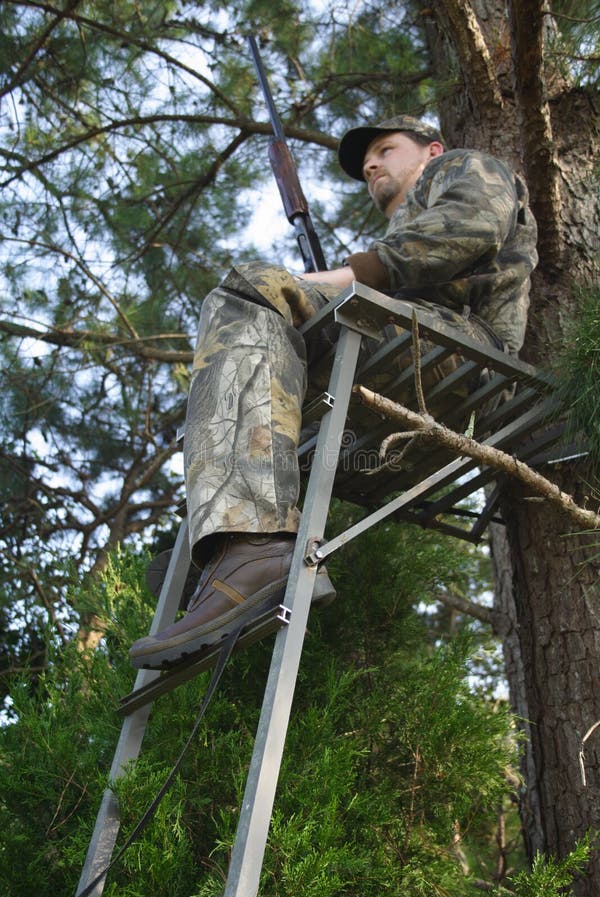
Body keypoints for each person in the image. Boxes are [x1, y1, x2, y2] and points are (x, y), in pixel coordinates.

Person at [130, 115, 538, 669]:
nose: (371, 165)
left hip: (463, 355)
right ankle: (230, 543)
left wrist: (323, 282)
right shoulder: (396, 238)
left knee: (252, 290)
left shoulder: (460, 166)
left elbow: (471, 225)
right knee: (261, 345)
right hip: (408, 375)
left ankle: (249, 547)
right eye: (367, 161)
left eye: (385, 150)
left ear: (432, 149)